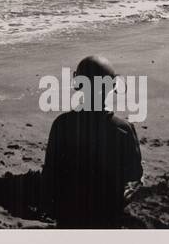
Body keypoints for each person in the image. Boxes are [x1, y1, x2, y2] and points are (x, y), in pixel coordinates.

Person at [40, 55, 143, 229]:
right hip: (107, 213)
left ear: (78, 82)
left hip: (69, 213)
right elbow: (134, 174)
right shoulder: (123, 129)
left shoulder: (62, 124)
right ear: (113, 86)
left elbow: (50, 173)